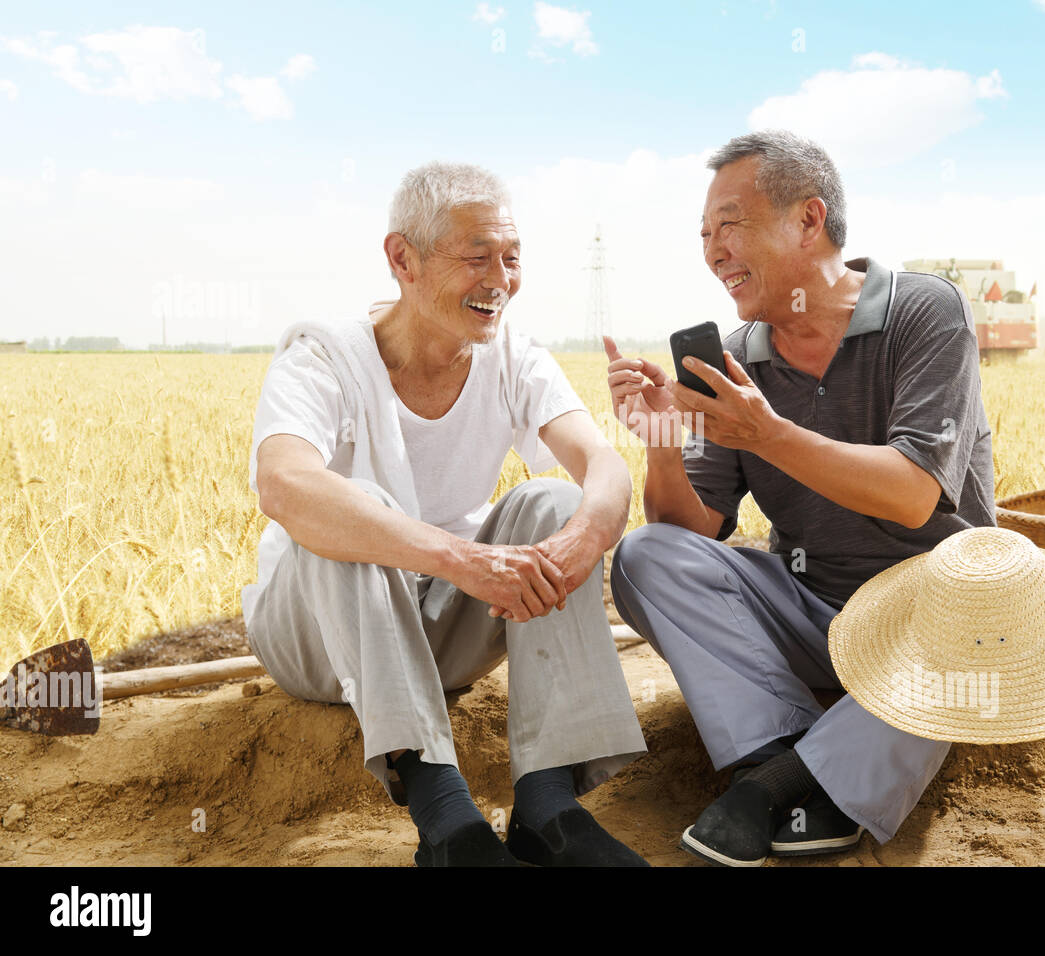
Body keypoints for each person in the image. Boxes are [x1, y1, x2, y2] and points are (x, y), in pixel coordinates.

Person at [605, 130, 996, 867]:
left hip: (931, 616)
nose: (714, 248)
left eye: (732, 224)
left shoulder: (925, 310)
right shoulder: (735, 356)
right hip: (811, 613)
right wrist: (662, 435)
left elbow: (914, 495)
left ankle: (772, 785)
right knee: (644, 554)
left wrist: (768, 433)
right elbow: (694, 528)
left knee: (977, 624)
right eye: (705, 234)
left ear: (808, 220)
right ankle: (775, 752)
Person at [242, 161, 648, 867]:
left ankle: (547, 806)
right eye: (474, 257)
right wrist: (459, 559)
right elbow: (283, 485)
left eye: (511, 258)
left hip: (444, 627)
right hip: (317, 634)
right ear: (403, 258)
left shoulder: (515, 356)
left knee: (555, 502)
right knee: (355, 502)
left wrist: (586, 536)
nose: (499, 279)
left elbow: (604, 468)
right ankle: (446, 819)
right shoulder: (323, 356)